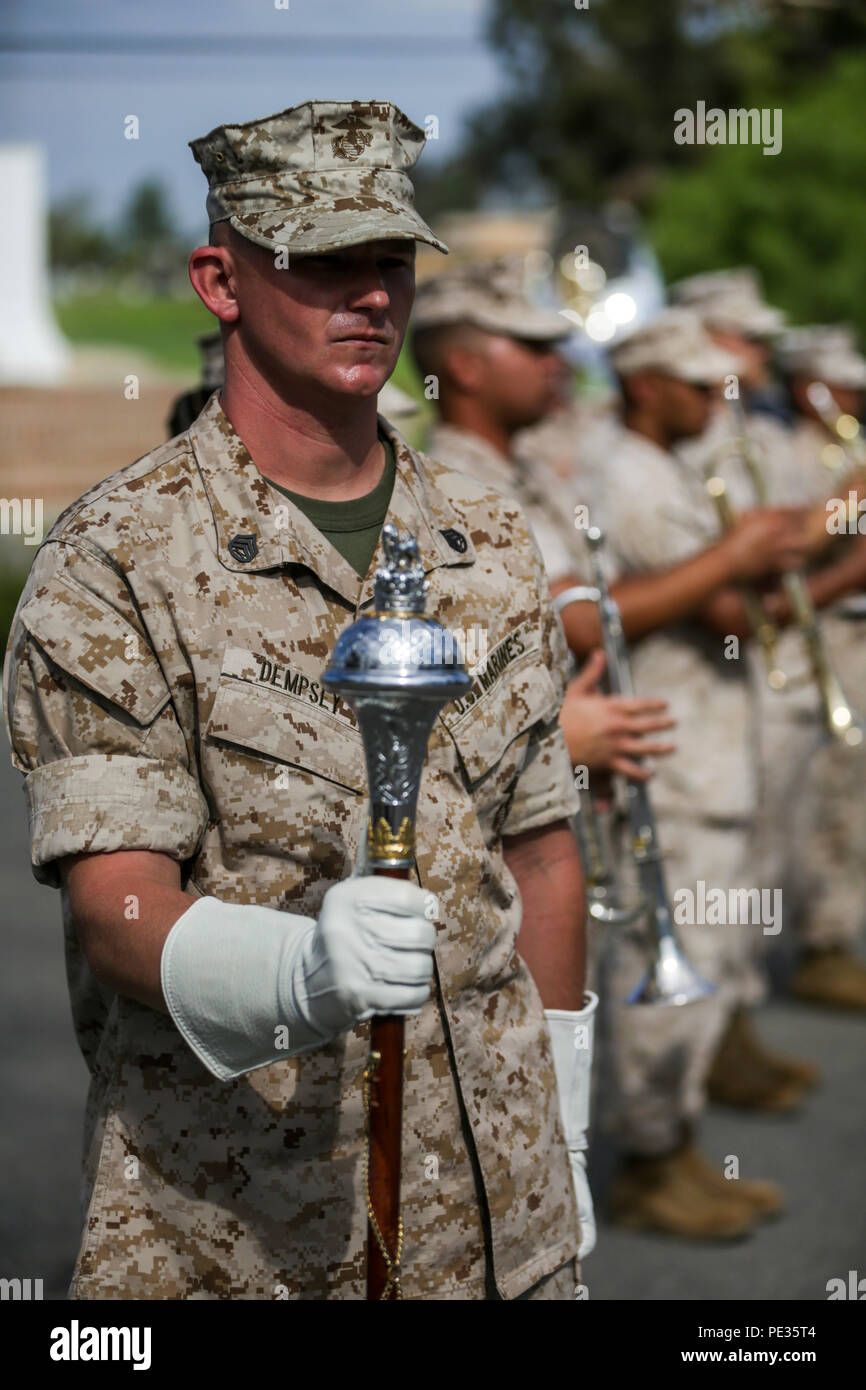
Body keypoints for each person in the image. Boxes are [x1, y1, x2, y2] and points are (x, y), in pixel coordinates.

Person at [3, 100, 592, 1300]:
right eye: (320, 260)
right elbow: (117, 908)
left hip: (499, 1218)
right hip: (242, 1232)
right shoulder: (118, 557)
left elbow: (539, 854)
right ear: (220, 281)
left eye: (388, 261)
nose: (368, 295)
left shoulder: (482, 537)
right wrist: (302, 978)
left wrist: (565, 1129)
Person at [587, 307, 816, 1238]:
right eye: (697, 385)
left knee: (707, 964)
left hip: (708, 756)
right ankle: (648, 1160)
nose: (717, 400)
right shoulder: (628, 478)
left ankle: (676, 1145)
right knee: (659, 974)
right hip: (670, 762)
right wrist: (757, 554)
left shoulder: (670, 467)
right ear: (644, 385)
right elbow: (731, 612)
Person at [411, 257, 679, 788]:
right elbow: (580, 623)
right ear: (466, 369)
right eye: (533, 348)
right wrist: (738, 554)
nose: (555, 363)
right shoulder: (457, 488)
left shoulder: (521, 469)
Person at [773, 324, 866, 1010]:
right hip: (823, 638)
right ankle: (823, 942)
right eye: (842, 385)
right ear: (808, 389)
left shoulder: (845, 448)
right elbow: (807, 541)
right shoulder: (792, 455)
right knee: (829, 799)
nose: (855, 397)